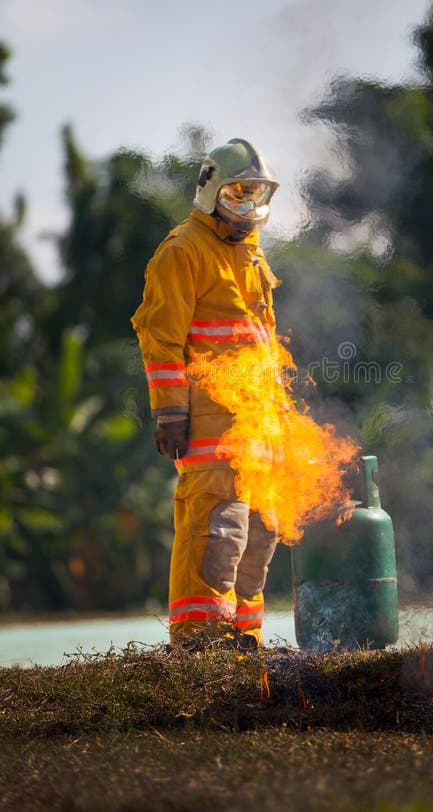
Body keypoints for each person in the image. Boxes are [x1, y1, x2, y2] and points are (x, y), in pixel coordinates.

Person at [131, 138, 281, 648]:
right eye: (239, 192)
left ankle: (243, 652)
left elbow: (263, 345)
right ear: (212, 190)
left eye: (257, 194)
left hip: (258, 432)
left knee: (259, 537)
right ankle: (199, 654)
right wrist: (170, 411)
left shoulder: (251, 255)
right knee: (217, 532)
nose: (249, 204)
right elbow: (161, 336)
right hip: (212, 429)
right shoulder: (183, 250)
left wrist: (279, 419)